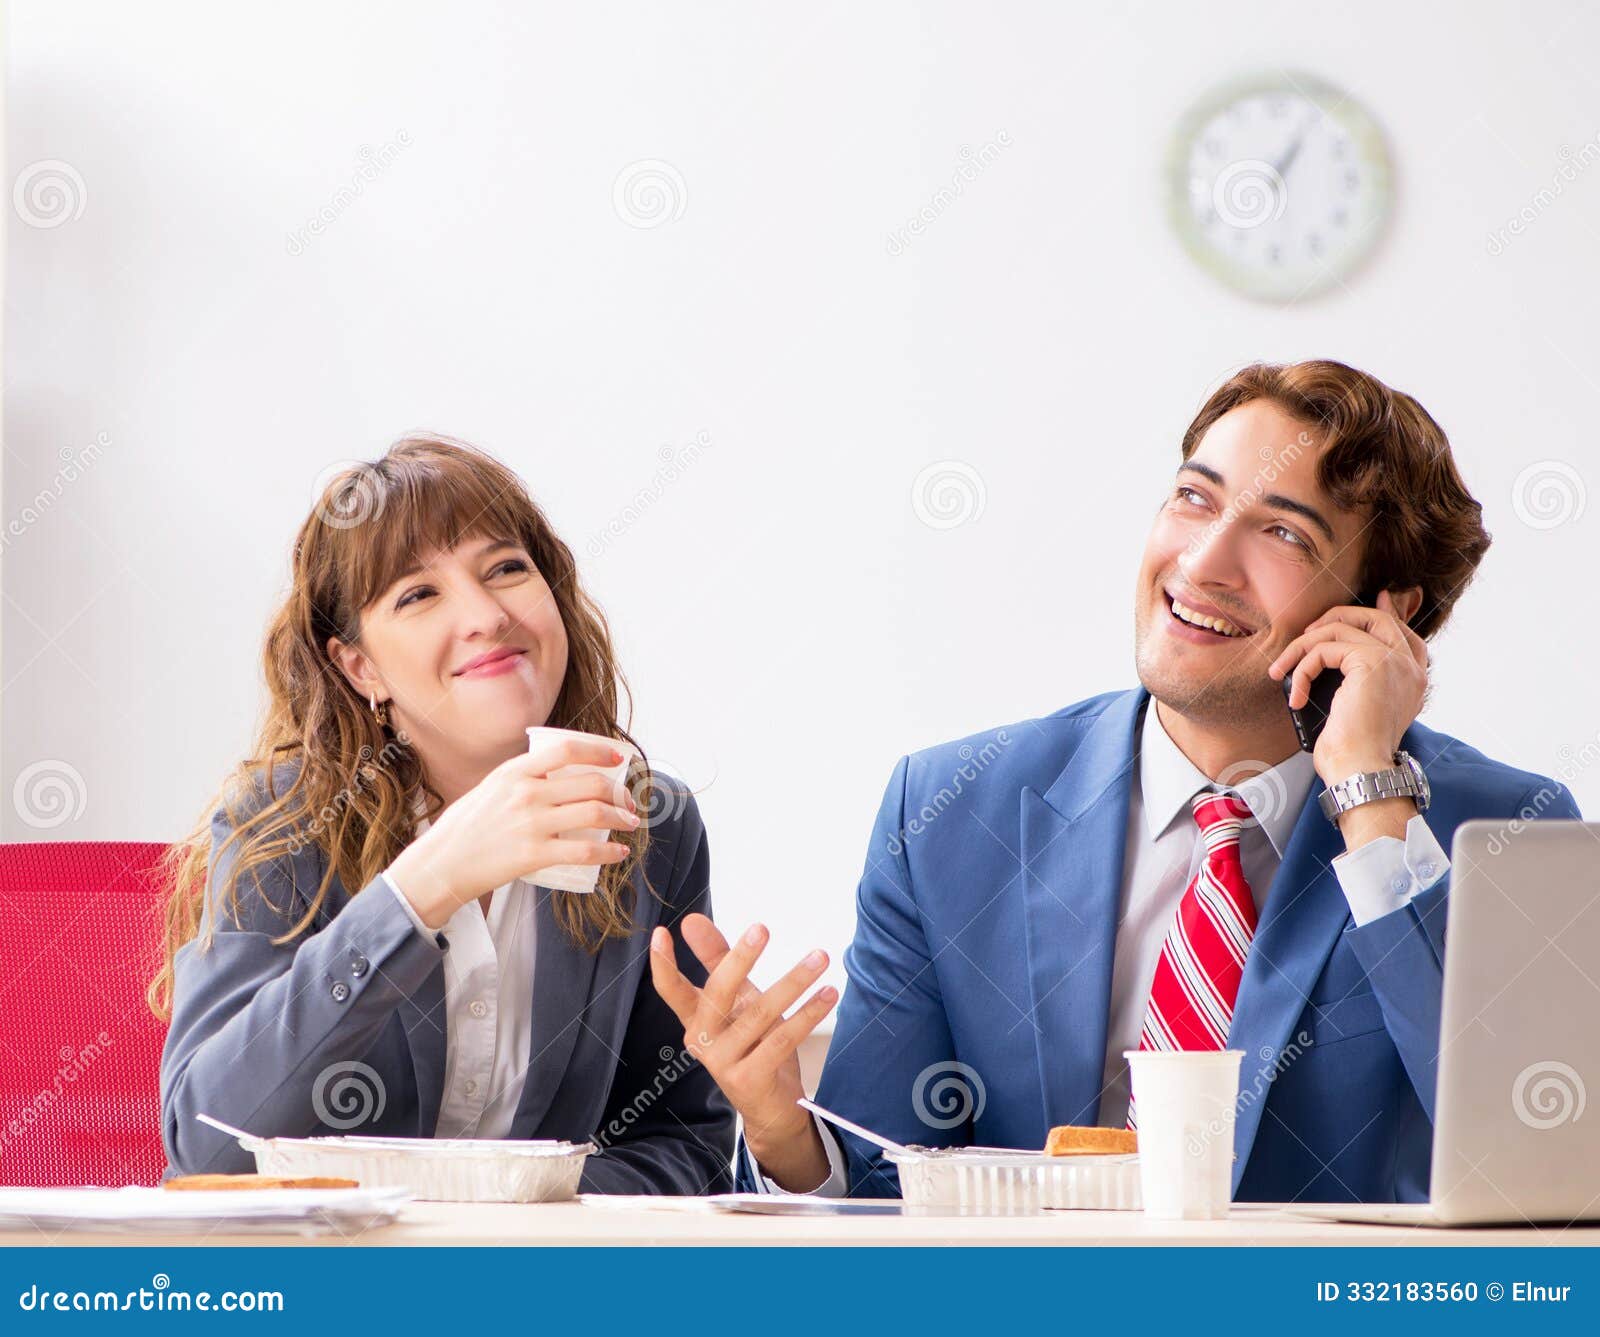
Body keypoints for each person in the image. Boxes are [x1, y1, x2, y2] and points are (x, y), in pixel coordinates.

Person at [652, 360, 1580, 1203]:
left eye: (1283, 534)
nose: (1204, 563)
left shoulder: (1500, 830)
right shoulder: (951, 814)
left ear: (1388, 611)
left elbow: (1536, 1169)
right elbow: (887, 1189)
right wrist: (782, 1129)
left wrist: (1373, 798)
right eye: (1193, 499)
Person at [155, 435, 733, 1194]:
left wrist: (520, 1210)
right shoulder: (283, 821)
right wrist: (424, 885)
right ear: (359, 667)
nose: (487, 615)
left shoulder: (649, 825)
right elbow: (209, 1141)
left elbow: (680, 1141)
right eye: (418, 594)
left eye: (506, 569)